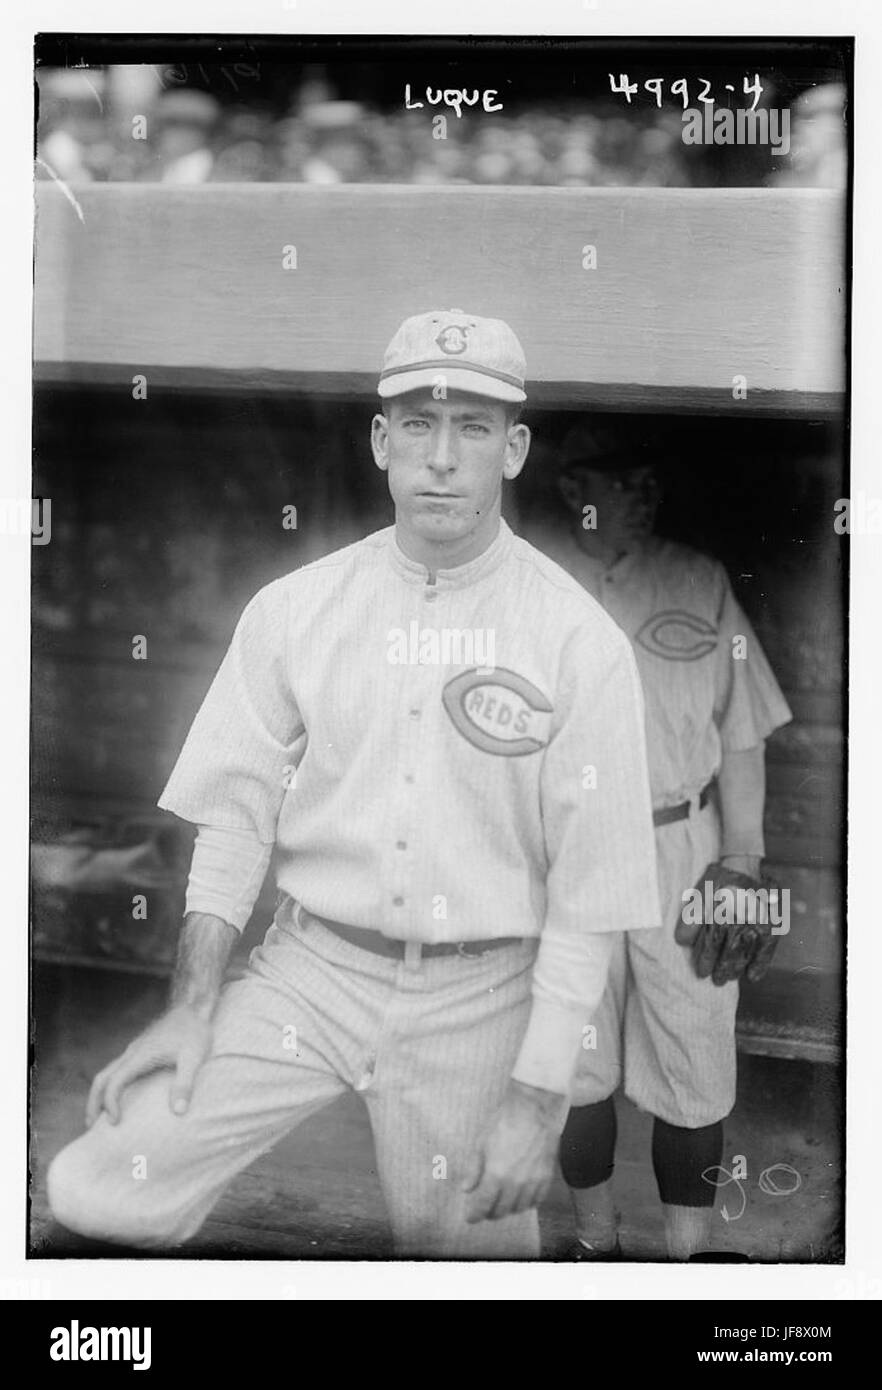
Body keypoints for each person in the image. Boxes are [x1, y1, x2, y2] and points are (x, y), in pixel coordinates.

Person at [47, 312, 660, 1259]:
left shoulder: (580, 642)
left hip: (481, 992)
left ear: (516, 449)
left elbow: (590, 903)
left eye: (474, 428)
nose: (442, 458)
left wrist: (540, 1099)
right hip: (312, 972)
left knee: (467, 1254)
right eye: (417, 423)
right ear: (382, 441)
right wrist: (193, 1006)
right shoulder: (297, 607)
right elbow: (235, 815)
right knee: (100, 1187)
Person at [529, 418, 792, 1261]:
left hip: (683, 846)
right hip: (564, 852)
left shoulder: (699, 578)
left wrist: (743, 864)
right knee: (574, 1061)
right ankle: (595, 1248)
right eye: (624, 480)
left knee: (696, 1058)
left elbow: (742, 732)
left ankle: (688, 1262)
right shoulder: (525, 583)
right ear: (575, 489)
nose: (645, 497)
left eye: (652, 482)